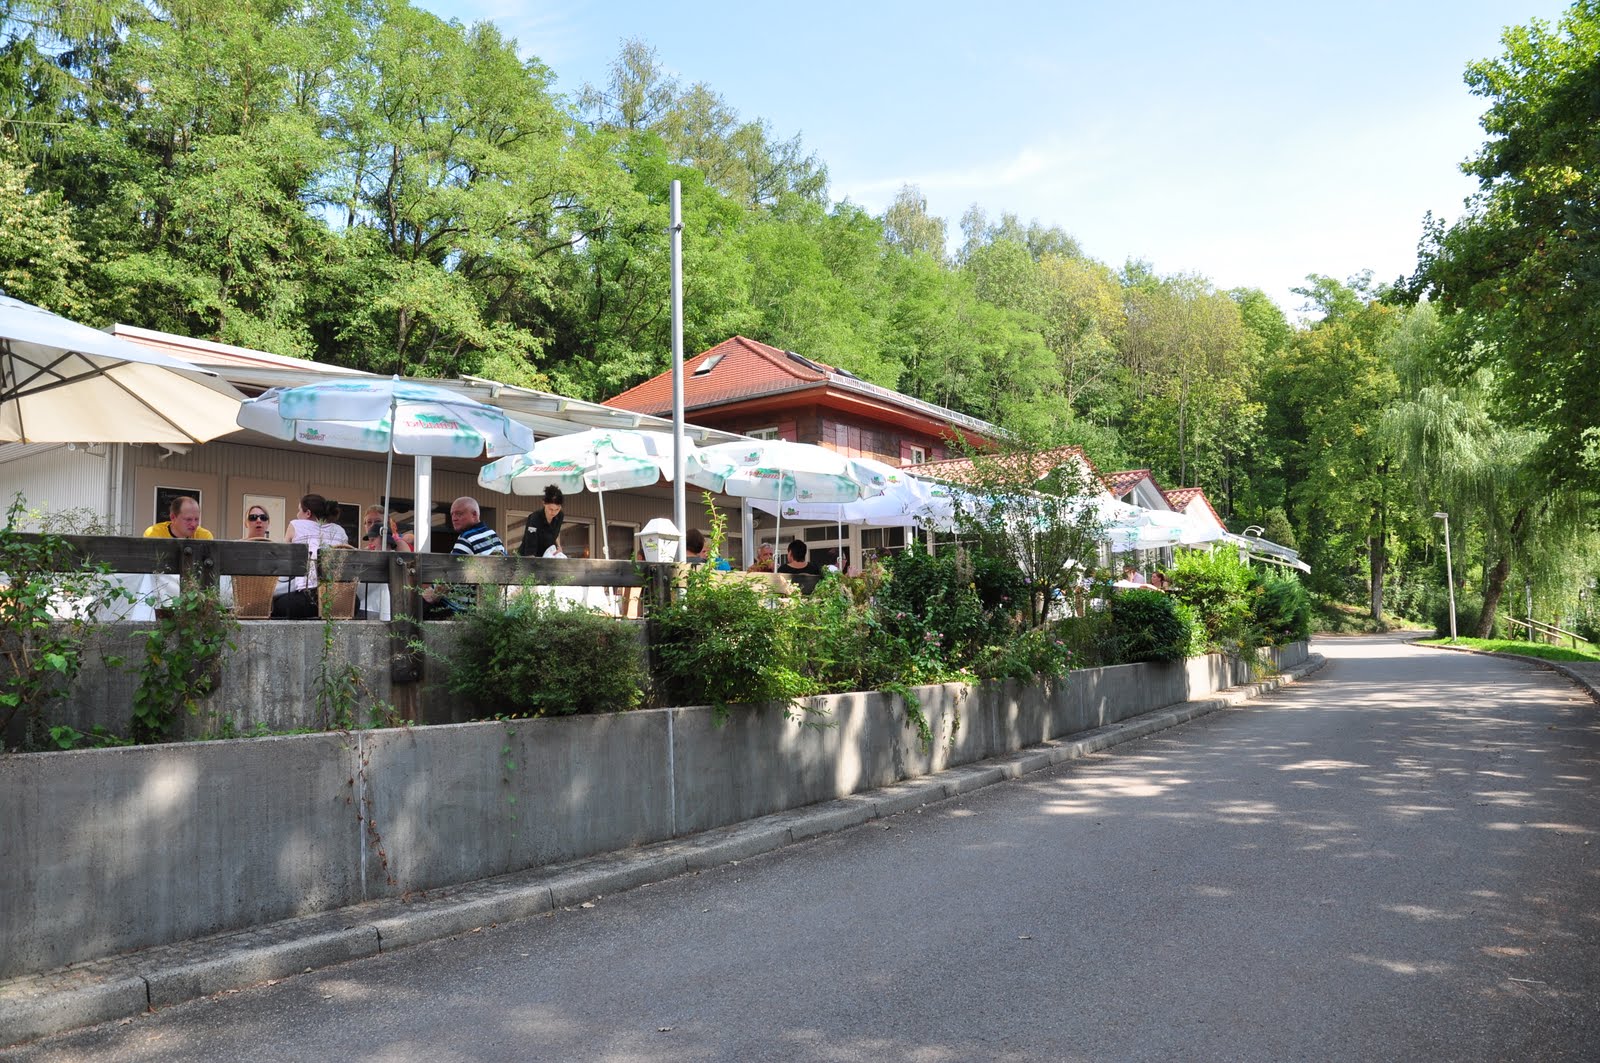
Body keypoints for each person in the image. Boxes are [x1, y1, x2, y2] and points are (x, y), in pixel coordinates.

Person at [423, 497, 506, 618]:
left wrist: (431, 594)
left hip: (462, 607)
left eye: (459, 514)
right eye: (452, 514)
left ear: (474, 514)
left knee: (419, 605)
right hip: (489, 605)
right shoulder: (493, 536)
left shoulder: (467, 538)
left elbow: (449, 575)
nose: (454, 518)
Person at [271, 494, 350, 618]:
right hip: (342, 600)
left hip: (309, 599)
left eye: (299, 510)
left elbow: (283, 558)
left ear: (308, 513)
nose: (297, 514)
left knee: (279, 606)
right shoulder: (340, 530)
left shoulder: (296, 525)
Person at [519, 485, 564, 558]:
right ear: (544, 503)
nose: (553, 512)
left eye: (557, 509)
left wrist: (559, 546)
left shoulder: (560, 516)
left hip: (547, 555)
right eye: (550, 509)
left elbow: (555, 532)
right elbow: (530, 541)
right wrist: (532, 563)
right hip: (528, 556)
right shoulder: (535, 518)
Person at [143, 496, 213, 540]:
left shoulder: (204, 536)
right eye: (188, 519)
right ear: (173, 517)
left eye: (196, 519)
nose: (194, 524)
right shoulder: (154, 534)